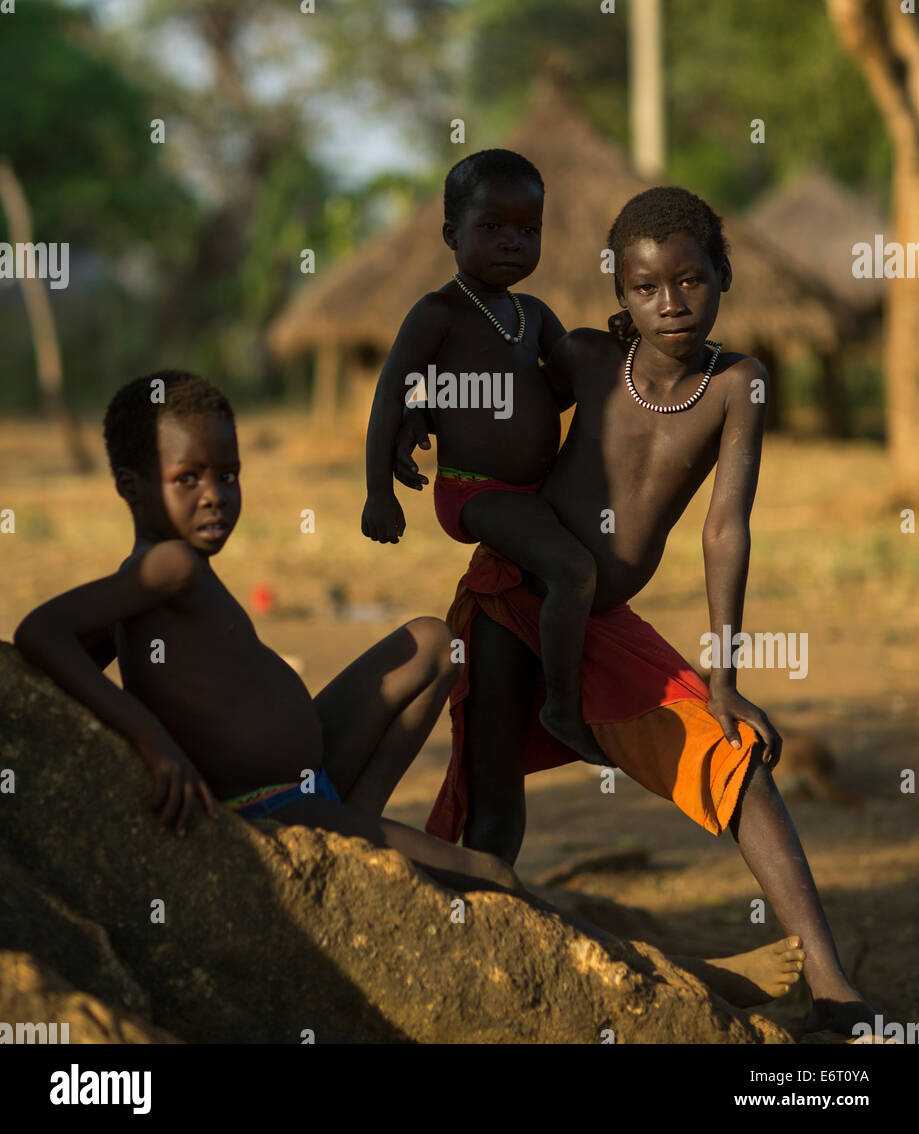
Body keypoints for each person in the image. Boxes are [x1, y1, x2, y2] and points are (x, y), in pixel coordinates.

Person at [15, 367, 805, 1013]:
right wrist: (151, 743)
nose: (215, 495)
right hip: (273, 807)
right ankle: (698, 983)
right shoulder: (165, 567)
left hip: (313, 777)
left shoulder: (158, 577)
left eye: (227, 474)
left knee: (431, 642)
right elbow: (40, 634)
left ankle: (359, 842)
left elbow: (78, 647)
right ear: (130, 484)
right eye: (187, 478)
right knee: (491, 877)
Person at [422, 186, 875, 1036]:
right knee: (490, 813)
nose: (669, 303)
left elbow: (724, 528)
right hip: (510, 589)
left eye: (689, 281)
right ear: (619, 291)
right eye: (643, 286)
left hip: (600, 624)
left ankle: (833, 991)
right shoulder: (588, 360)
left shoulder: (737, 385)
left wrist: (723, 677)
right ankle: (454, 981)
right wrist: (424, 420)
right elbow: (501, 403)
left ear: (723, 276)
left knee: (733, 756)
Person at [362, 148, 607, 764]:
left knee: (580, 344)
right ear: (452, 234)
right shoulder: (438, 312)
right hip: (477, 490)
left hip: (540, 488)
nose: (512, 243)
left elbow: (572, 375)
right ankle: (561, 706)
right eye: (492, 227)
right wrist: (378, 492)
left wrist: (615, 342)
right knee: (574, 570)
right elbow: (391, 393)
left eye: (529, 230)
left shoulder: (534, 315)